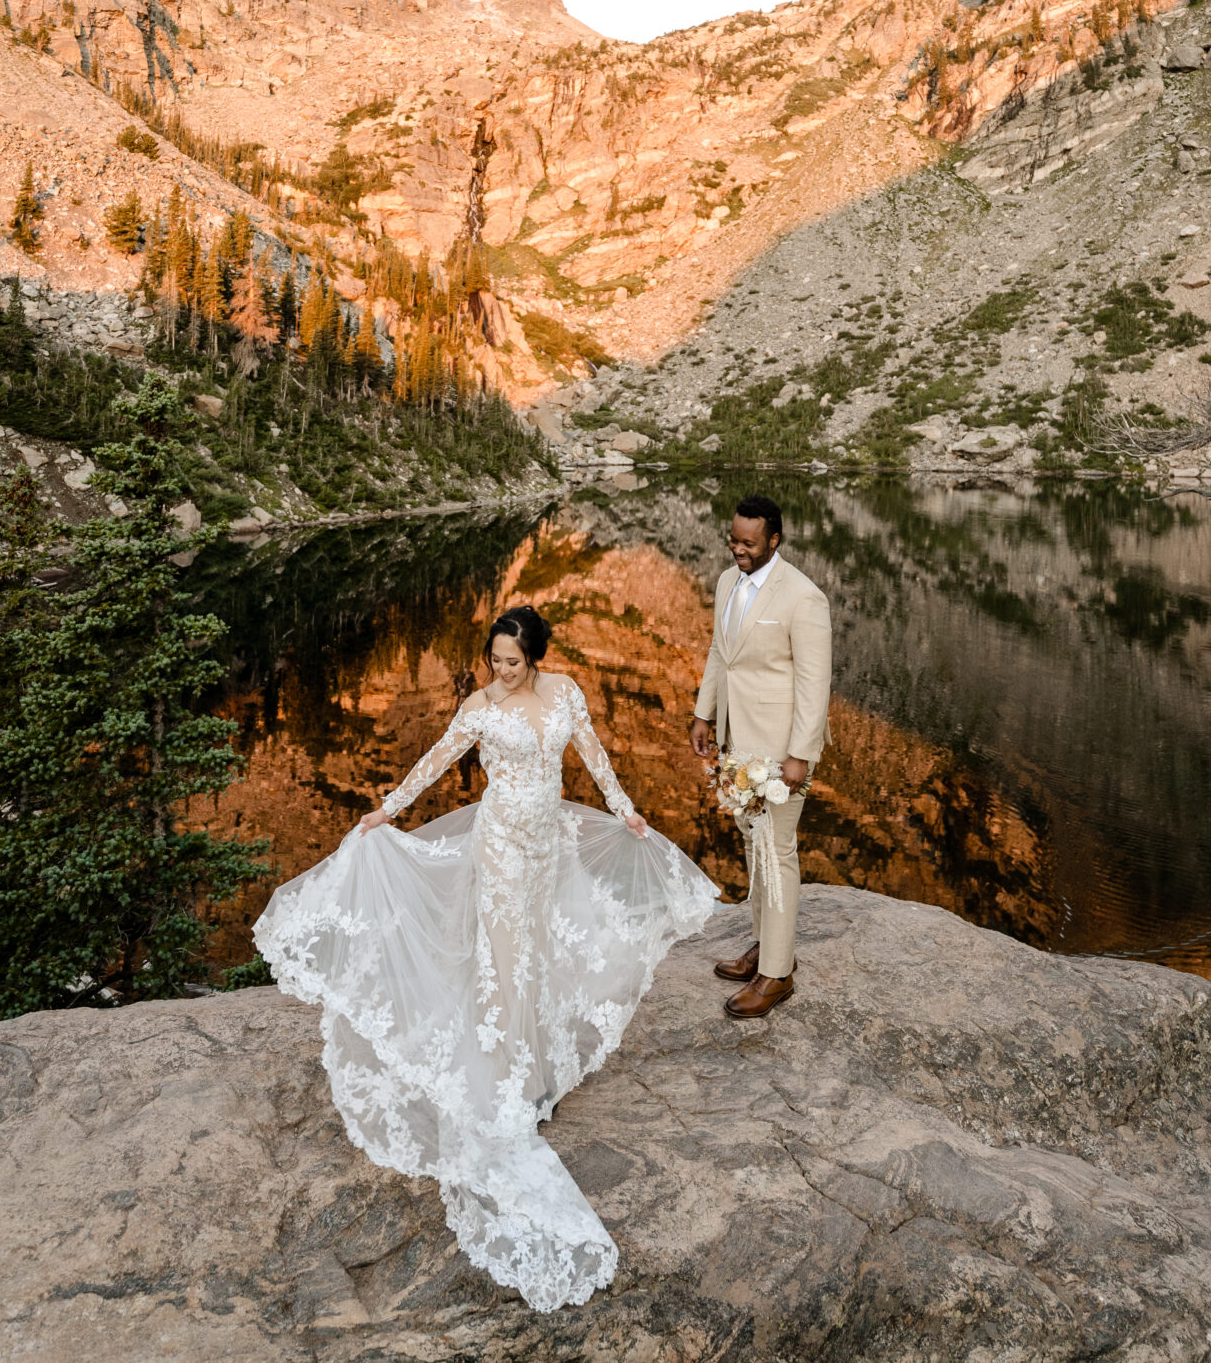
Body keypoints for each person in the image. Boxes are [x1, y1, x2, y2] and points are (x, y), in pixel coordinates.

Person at [254, 603, 718, 1313]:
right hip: (500, 848)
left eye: (511, 663)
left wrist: (624, 807)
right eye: (493, 661)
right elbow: (437, 758)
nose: (499, 673)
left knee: (539, 954)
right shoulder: (478, 705)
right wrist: (388, 807)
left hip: (548, 849)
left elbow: (591, 753)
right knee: (504, 958)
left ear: (535, 658)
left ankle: (535, 1070)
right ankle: (507, 1087)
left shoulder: (564, 693)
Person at [690, 493, 832, 1018]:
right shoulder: (728, 583)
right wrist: (704, 714)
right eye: (733, 540)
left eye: (749, 543)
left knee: (778, 851)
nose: (738, 550)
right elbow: (719, 653)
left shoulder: (803, 597)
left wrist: (800, 756)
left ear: (775, 540)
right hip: (736, 743)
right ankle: (763, 947)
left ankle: (778, 974)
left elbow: (815, 685)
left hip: (779, 752)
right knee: (754, 847)